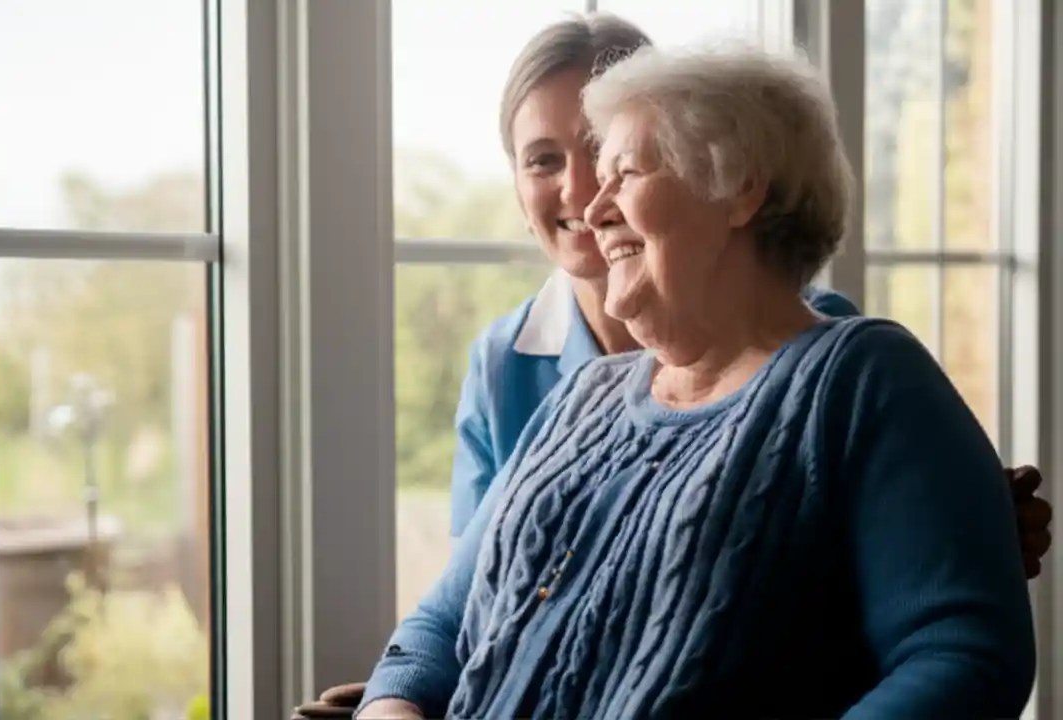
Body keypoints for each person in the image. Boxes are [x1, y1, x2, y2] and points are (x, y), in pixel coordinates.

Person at [357, 44, 1035, 719]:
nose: (594, 211)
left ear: (739, 186)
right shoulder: (582, 399)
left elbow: (963, 654)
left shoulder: (857, 378)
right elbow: (434, 634)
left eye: (623, 173)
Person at [447, 12, 1051, 573]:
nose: (582, 191)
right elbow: (477, 594)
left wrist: (958, 520)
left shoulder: (819, 338)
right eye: (542, 161)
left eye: (608, 155)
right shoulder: (502, 366)